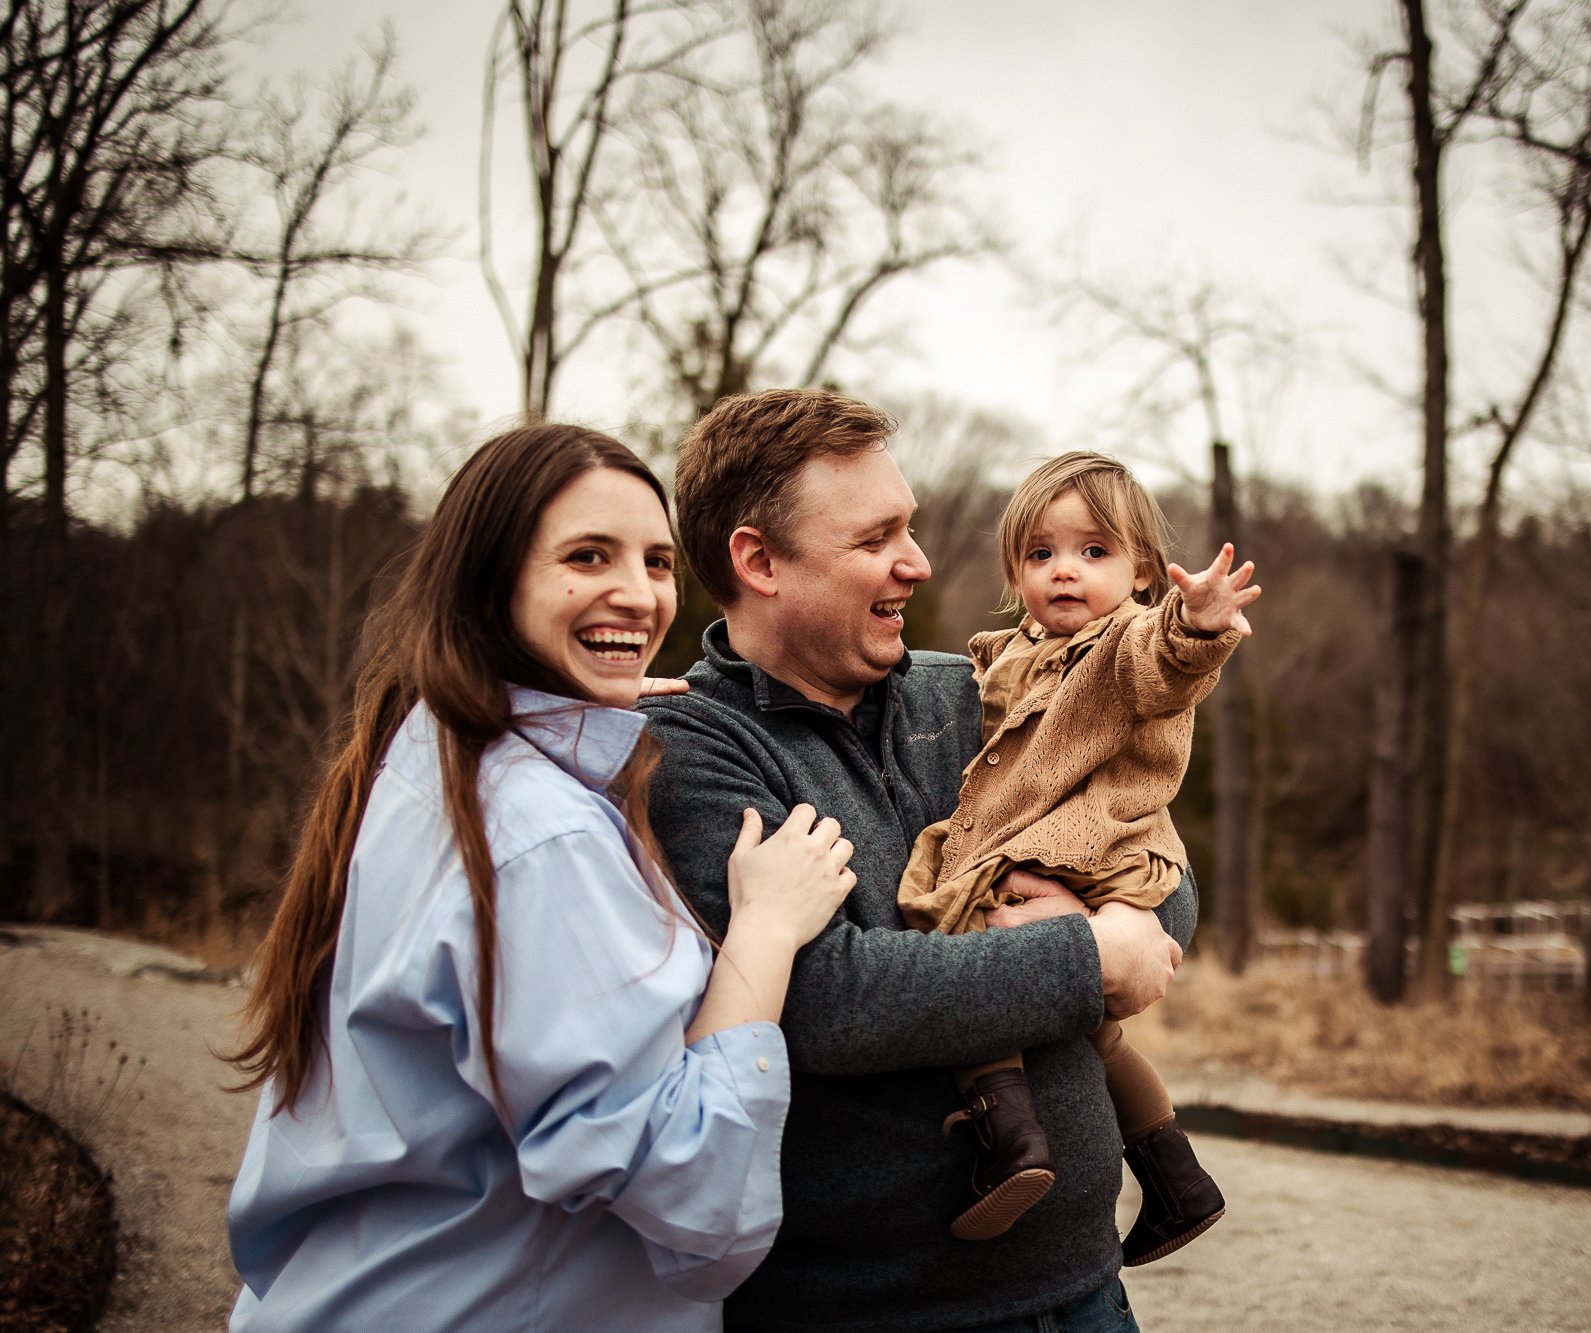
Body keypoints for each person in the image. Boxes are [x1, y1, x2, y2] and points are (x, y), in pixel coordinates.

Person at [224, 423, 856, 1331]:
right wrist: (764, 927)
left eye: (657, 561)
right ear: (492, 579)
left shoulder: (432, 745)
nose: (637, 595)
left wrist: (580, 705)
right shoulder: (539, 836)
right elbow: (689, 1196)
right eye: (587, 556)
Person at [642, 389, 1189, 1333]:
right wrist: (1093, 955)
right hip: (873, 1309)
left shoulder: (976, 690)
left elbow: (1152, 853)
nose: (919, 562)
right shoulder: (691, 747)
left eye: (912, 526)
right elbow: (830, 1001)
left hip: (1085, 1285)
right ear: (758, 560)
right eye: (876, 537)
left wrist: (1131, 922)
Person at [897, 451, 1256, 1260]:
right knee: (1095, 1033)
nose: (1065, 572)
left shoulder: (1125, 640)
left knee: (952, 933)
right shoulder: (1016, 647)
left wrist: (1193, 624)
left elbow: (1161, 664)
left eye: (1094, 552)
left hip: (1094, 850)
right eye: (1041, 553)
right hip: (1084, 855)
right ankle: (1175, 1177)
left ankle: (1009, 1135)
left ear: (1139, 570)